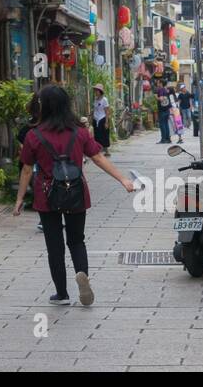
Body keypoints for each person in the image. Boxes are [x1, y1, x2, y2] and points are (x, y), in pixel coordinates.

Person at [13, 85, 138, 306]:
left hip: (46, 195)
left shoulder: (34, 135)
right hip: (76, 192)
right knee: (77, 241)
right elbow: (98, 158)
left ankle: (61, 294)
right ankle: (83, 276)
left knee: (55, 246)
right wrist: (123, 180)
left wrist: (20, 199)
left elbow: (25, 169)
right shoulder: (79, 133)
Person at [15, 96, 43, 233]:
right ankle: (45, 218)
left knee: (41, 189)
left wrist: (19, 198)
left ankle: (44, 218)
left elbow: (20, 141)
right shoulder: (54, 125)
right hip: (44, 165)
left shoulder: (29, 127)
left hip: (33, 165)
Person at [91, 83, 110, 149]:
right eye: (95, 90)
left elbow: (107, 111)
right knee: (97, 134)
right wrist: (92, 117)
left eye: (97, 90)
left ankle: (106, 148)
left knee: (104, 134)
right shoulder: (95, 99)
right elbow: (94, 109)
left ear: (100, 91)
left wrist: (106, 122)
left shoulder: (104, 100)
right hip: (96, 119)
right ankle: (98, 148)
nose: (96, 92)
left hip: (102, 118)